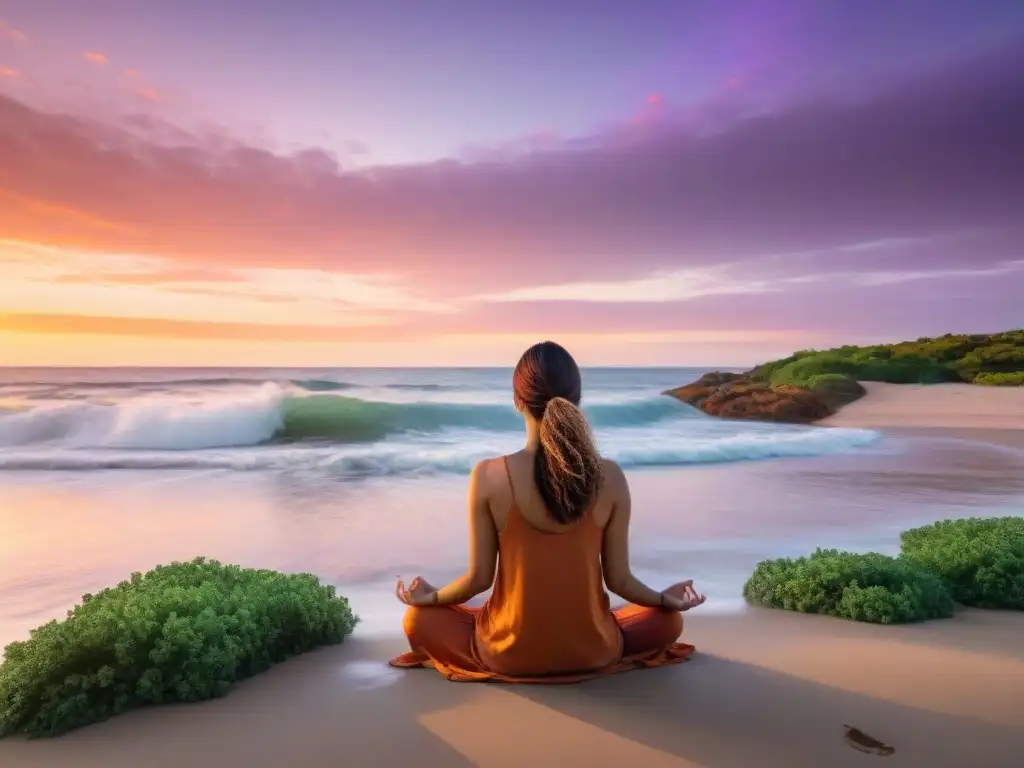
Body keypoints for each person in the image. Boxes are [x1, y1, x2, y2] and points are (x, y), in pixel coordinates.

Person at [390, 341, 705, 683]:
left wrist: (431, 597)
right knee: (668, 620)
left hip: (507, 654)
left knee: (418, 620)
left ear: (517, 400)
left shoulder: (487, 476)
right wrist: (663, 598)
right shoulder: (610, 476)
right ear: (577, 401)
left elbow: (478, 580)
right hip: (593, 651)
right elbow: (620, 581)